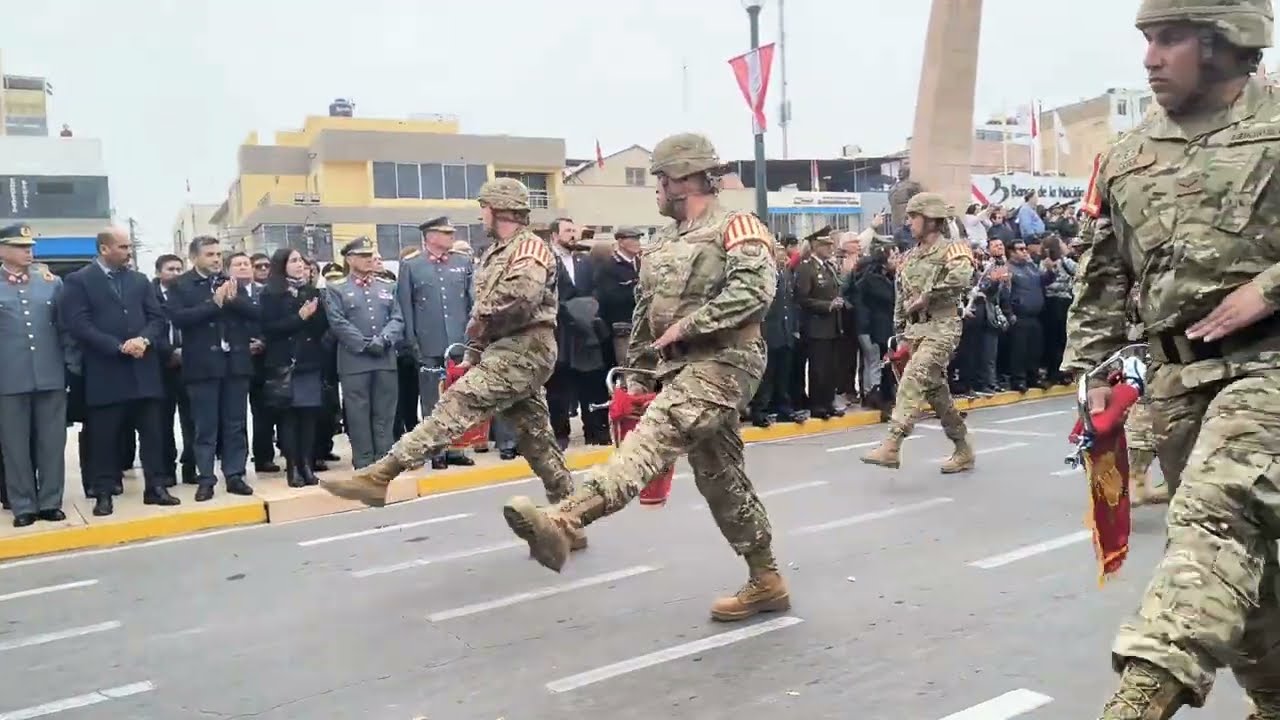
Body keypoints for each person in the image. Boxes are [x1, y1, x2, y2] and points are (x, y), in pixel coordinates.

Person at [1063, 1, 1280, 717]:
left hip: (1270, 369)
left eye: (1170, 39)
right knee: (1243, 575)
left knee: (1212, 517)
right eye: (1147, 41)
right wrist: (1092, 387)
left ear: (1225, 42)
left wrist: (1269, 289)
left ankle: (1141, 695)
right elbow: (1101, 284)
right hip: (1179, 383)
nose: (1151, 58)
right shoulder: (1127, 157)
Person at [499, 133, 788, 623]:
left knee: (659, 432)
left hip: (728, 361)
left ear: (683, 178)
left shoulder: (737, 227)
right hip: (679, 366)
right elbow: (643, 314)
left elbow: (755, 291)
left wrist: (690, 325)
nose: (655, 188)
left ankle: (566, 518)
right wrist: (637, 375)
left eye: (659, 178)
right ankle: (766, 578)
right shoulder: (664, 241)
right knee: (720, 478)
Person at [318, 179, 578, 532]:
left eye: (484, 207)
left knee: (456, 404)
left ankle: (381, 475)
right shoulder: (495, 251)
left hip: (524, 349)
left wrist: (478, 323)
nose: (481, 214)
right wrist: (474, 350)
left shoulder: (528, 249)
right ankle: (572, 519)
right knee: (537, 442)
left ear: (499, 208)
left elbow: (522, 298)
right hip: (504, 348)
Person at [61, 226, 179, 515]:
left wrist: (144, 339)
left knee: (152, 433)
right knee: (104, 438)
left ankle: (156, 487)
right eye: (124, 247)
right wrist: (117, 346)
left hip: (144, 370)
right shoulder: (79, 281)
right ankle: (103, 493)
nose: (129, 252)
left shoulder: (138, 281)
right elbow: (79, 324)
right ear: (104, 248)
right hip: (106, 372)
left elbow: (157, 318)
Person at [861, 193, 974, 473]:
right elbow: (901, 298)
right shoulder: (910, 256)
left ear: (932, 220)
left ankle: (892, 444)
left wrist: (929, 295)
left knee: (913, 378)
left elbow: (962, 277)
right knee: (937, 394)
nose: (909, 222)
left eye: (914, 217)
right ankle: (963, 448)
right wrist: (900, 335)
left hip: (943, 327)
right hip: (916, 331)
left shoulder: (953, 249)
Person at [0, 224, 69, 527]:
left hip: (50, 373)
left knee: (52, 443)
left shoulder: (50, 283)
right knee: (14, 446)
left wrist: (69, 366)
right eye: (20, 246)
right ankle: (23, 505)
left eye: (30, 246)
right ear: (2, 250)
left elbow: (65, 328)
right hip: (8, 378)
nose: (28, 251)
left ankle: (51, 501)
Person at [397, 216, 475, 470]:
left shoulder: (462, 262)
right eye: (445, 232)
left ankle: (456, 447)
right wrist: (412, 342)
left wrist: (473, 338)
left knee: (459, 397)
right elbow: (406, 307)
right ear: (430, 236)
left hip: (458, 342)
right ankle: (436, 451)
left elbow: (470, 303)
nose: (451, 236)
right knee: (432, 400)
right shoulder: (412, 266)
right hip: (428, 341)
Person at [322, 237, 404, 469]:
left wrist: (385, 339)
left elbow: (398, 317)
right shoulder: (336, 288)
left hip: (384, 359)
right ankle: (364, 460)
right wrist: (364, 344)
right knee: (358, 413)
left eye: (371, 255)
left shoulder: (388, 286)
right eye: (363, 256)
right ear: (349, 259)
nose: (369, 260)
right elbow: (338, 322)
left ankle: (384, 459)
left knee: (385, 412)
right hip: (354, 361)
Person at [259, 248, 328, 487]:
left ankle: (307, 465)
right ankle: (293, 469)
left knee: (309, 417)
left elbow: (321, 328)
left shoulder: (311, 291)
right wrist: (299, 317)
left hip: (309, 361)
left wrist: (317, 314)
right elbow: (269, 328)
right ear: (282, 265)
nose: (300, 265)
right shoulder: (271, 293)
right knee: (289, 419)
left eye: (302, 261)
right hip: (284, 363)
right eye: (294, 261)